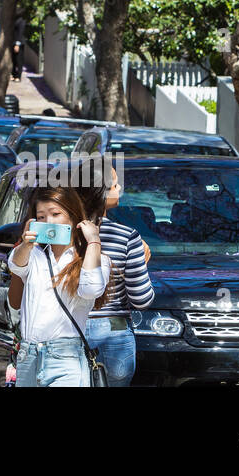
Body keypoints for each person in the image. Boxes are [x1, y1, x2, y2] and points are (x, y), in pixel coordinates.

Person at [7, 186, 110, 387]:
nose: (49, 222)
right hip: (28, 355)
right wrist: (26, 243)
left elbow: (91, 289)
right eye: (41, 217)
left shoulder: (92, 258)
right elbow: (15, 265)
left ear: (73, 218)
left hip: (65, 356)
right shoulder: (35, 254)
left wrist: (93, 242)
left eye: (56, 214)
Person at [78, 156, 154, 387]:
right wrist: (143, 264)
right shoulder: (126, 236)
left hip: (70, 331)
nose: (120, 188)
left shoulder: (64, 234)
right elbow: (141, 299)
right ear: (100, 192)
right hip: (114, 334)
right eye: (114, 184)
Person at [12, 15, 26, 80]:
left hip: (19, 43)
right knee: (14, 59)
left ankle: (18, 76)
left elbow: (21, 32)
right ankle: (14, 75)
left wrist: (17, 44)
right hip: (13, 42)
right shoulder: (15, 18)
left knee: (19, 60)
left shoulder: (22, 20)